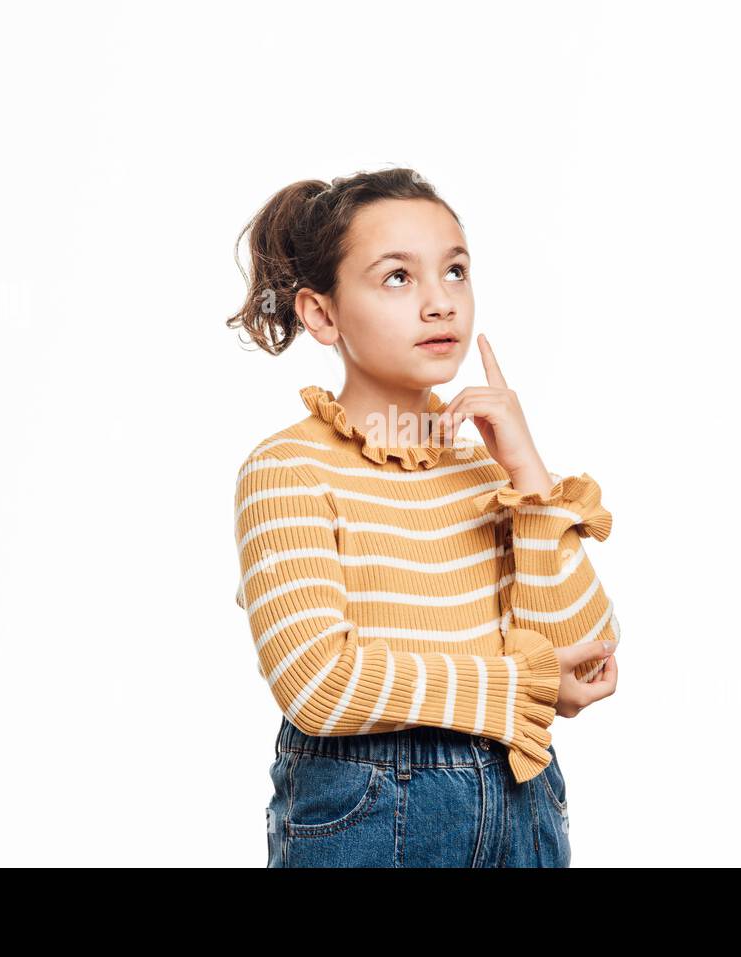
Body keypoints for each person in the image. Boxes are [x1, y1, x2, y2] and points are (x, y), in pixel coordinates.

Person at [227, 168, 620, 867]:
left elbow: (585, 660)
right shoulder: (289, 470)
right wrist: (514, 684)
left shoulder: (489, 472)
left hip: (523, 804)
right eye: (398, 278)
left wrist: (529, 478)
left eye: (456, 271)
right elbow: (318, 682)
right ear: (322, 314)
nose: (440, 302)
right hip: (372, 809)